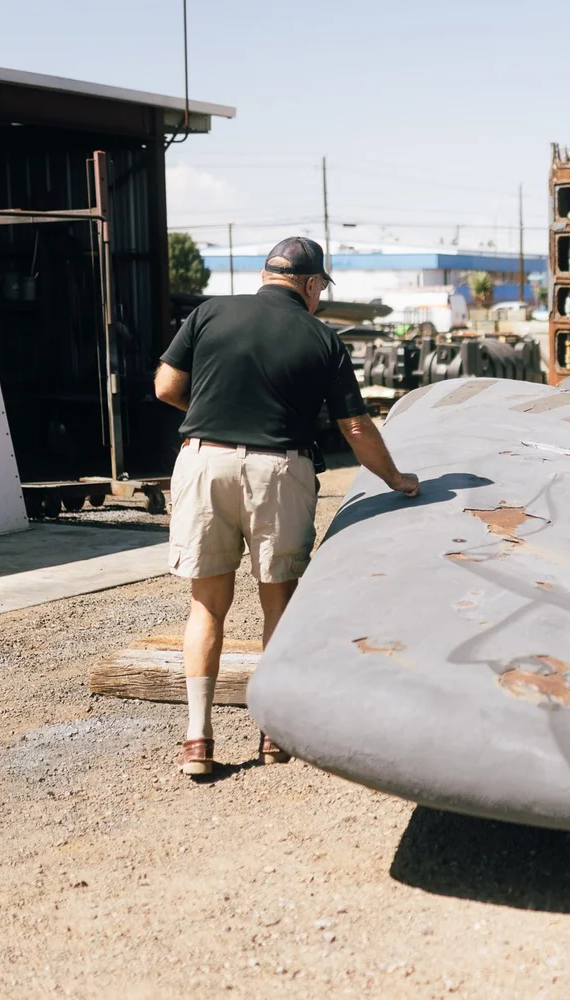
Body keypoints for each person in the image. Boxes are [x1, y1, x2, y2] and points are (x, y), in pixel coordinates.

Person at [154, 236, 420, 778]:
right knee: (278, 601)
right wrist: (396, 479)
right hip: (278, 470)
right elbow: (354, 427)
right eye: (320, 286)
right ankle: (272, 732)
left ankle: (197, 738)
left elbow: (165, 386)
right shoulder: (322, 337)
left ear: (266, 274)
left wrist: (213, 414)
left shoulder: (209, 312)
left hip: (204, 461)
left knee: (207, 604)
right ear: (310, 283)